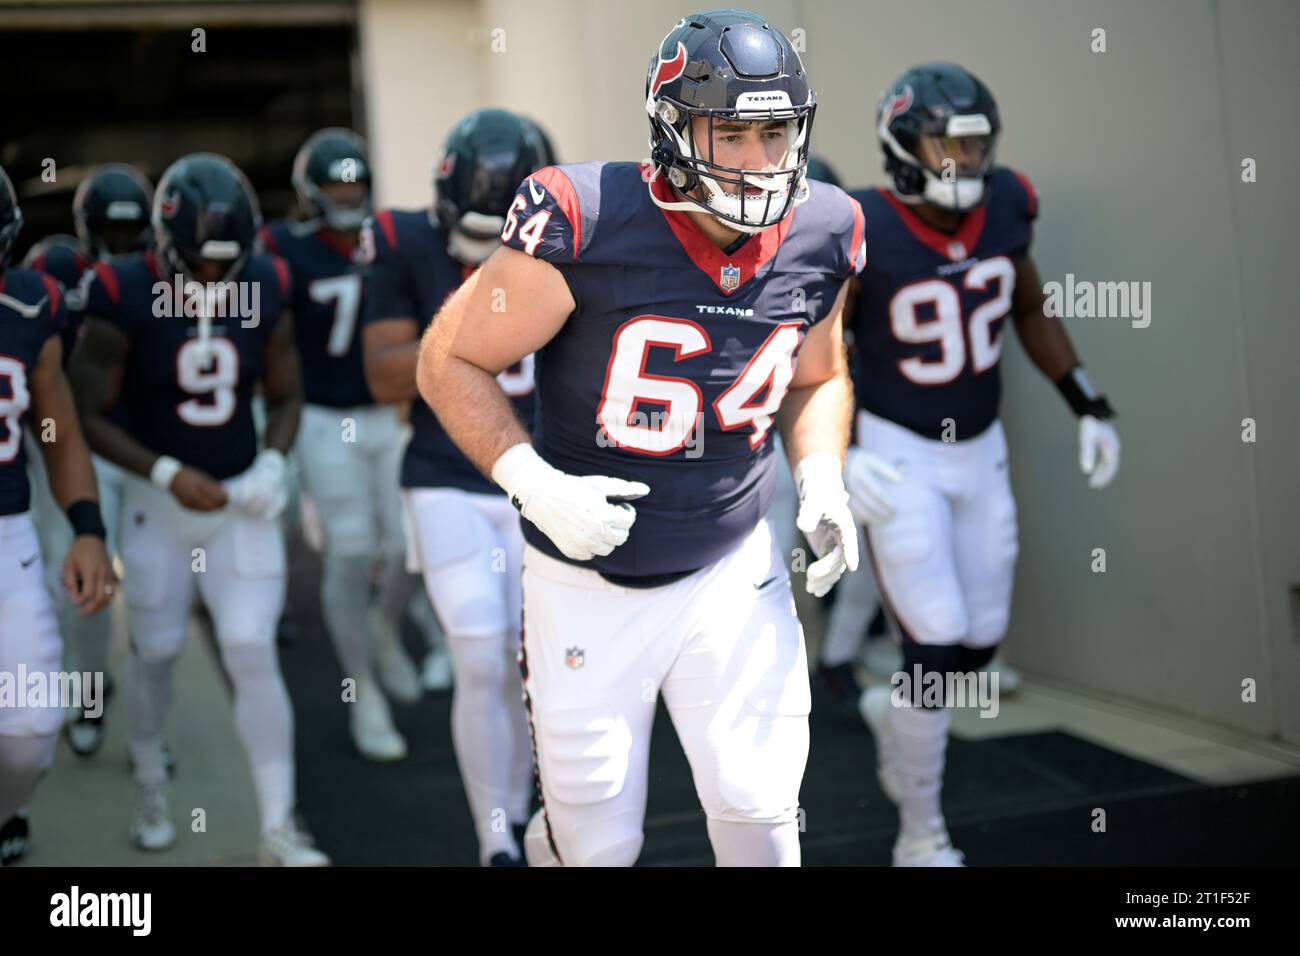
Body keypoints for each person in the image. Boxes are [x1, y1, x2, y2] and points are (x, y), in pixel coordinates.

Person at [419, 8, 865, 867]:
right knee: (595, 844)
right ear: (672, 130)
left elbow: (818, 374)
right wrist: (530, 479)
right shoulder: (585, 220)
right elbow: (449, 359)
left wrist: (822, 480)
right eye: (729, 132)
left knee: (763, 813)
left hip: (733, 564)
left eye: (776, 133)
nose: (758, 159)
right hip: (585, 579)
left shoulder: (826, 228)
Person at [844, 63, 1121, 865]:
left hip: (982, 449)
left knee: (978, 642)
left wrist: (1087, 401)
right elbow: (823, 344)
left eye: (974, 144)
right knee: (933, 639)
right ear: (902, 144)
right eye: (946, 143)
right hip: (898, 453)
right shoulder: (865, 224)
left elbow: (1028, 306)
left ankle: (892, 716)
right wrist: (839, 450)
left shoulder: (1006, 206)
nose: (963, 161)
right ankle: (921, 832)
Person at [69, 152, 328, 865]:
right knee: (155, 652)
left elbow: (287, 391)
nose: (213, 279)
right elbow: (84, 412)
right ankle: (151, 785)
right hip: (159, 502)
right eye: (199, 264)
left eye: (225, 264)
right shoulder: (122, 289)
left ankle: (278, 823)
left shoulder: (267, 281)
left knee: (251, 651)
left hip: (239, 498)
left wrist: (274, 461)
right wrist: (163, 469)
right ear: (165, 245)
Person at [362, 109, 553, 865]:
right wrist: (483, 302)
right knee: (480, 655)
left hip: (541, 479)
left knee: (536, 660)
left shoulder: (573, 240)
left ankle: (535, 805)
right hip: (445, 477)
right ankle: (492, 837)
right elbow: (382, 377)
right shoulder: (406, 242)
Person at [261, 128, 419, 762]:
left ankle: (384, 631)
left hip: (388, 416)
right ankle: (364, 695)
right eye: (335, 186)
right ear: (310, 193)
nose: (347, 195)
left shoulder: (388, 238)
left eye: (354, 183)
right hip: (327, 421)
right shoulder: (284, 249)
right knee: (350, 551)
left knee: (409, 548)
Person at [0, 164, 116, 864]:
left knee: (32, 724)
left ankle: (6, 812)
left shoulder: (28, 306)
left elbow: (59, 430)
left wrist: (89, 530)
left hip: (8, 529)